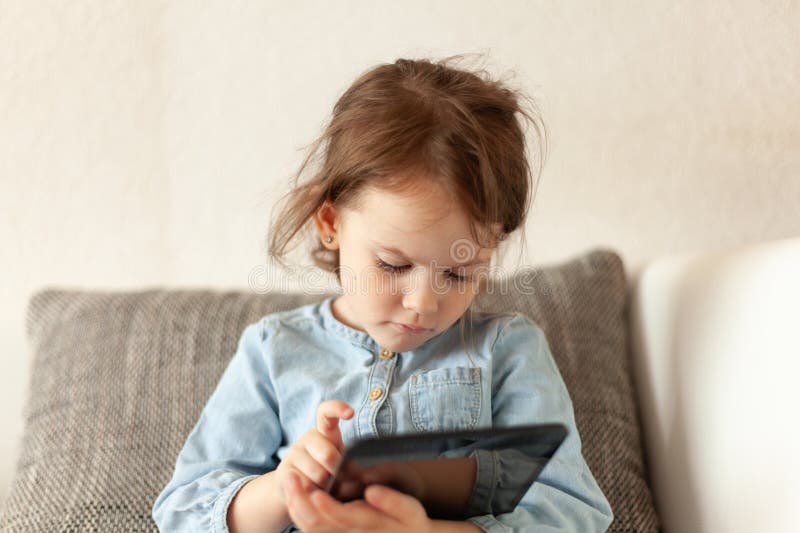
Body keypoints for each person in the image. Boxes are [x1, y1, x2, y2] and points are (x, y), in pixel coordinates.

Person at [152, 55, 614, 532]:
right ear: (330, 223)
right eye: (394, 265)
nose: (423, 304)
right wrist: (284, 489)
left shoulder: (507, 351)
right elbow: (183, 511)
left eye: (459, 274)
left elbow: (573, 511)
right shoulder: (273, 351)